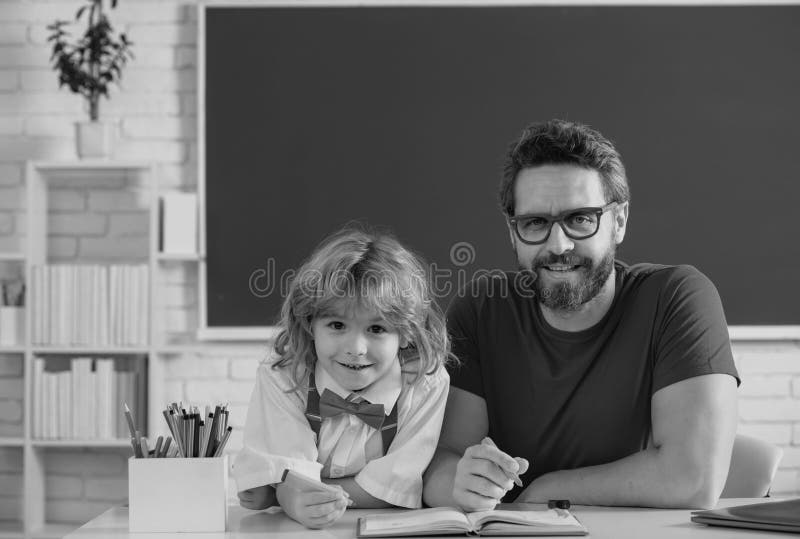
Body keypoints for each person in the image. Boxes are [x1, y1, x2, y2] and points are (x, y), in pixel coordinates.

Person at [422, 119, 740, 511]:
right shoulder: (481, 308)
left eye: (580, 219)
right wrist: (460, 482)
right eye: (535, 223)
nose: (558, 245)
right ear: (513, 232)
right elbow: (439, 463)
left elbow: (692, 480)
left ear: (619, 222)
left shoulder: (676, 297)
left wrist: (545, 491)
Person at [234, 226, 452, 528]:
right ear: (310, 323)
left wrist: (282, 492)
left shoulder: (425, 383)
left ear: (406, 334)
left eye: (376, 329)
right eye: (337, 325)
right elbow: (293, 477)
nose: (355, 348)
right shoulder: (284, 377)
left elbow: (395, 487)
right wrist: (287, 489)